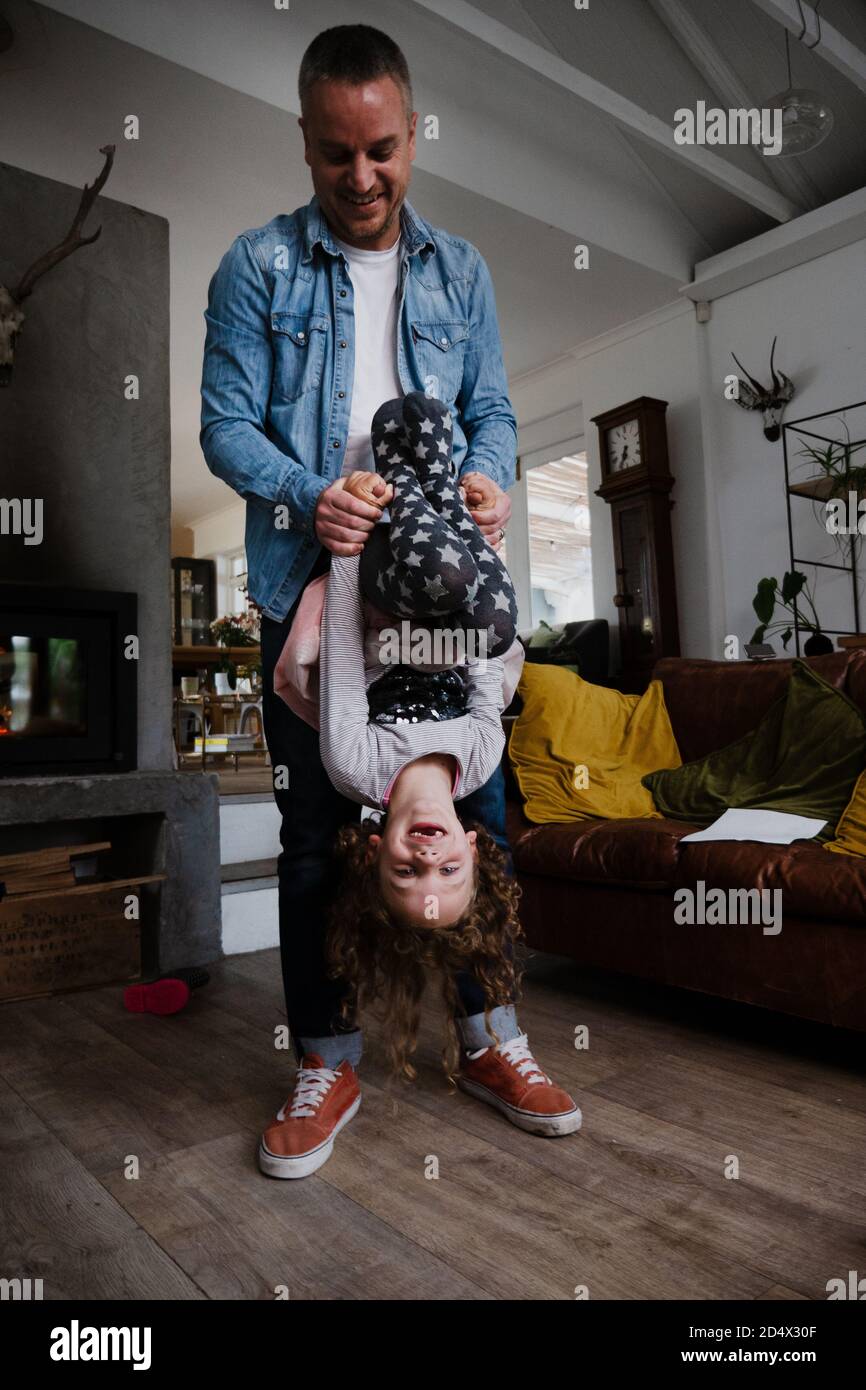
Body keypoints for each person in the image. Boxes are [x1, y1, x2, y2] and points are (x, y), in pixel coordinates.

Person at [201, 24, 580, 1181]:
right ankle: (326, 1059)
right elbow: (224, 427)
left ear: (412, 134)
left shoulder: (460, 270)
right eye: (333, 154)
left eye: (380, 149)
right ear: (304, 143)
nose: (359, 179)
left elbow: (497, 413)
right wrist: (311, 495)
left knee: (487, 819)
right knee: (315, 838)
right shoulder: (253, 266)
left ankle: (490, 1038)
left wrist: (486, 477)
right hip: (308, 582)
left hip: (441, 575)